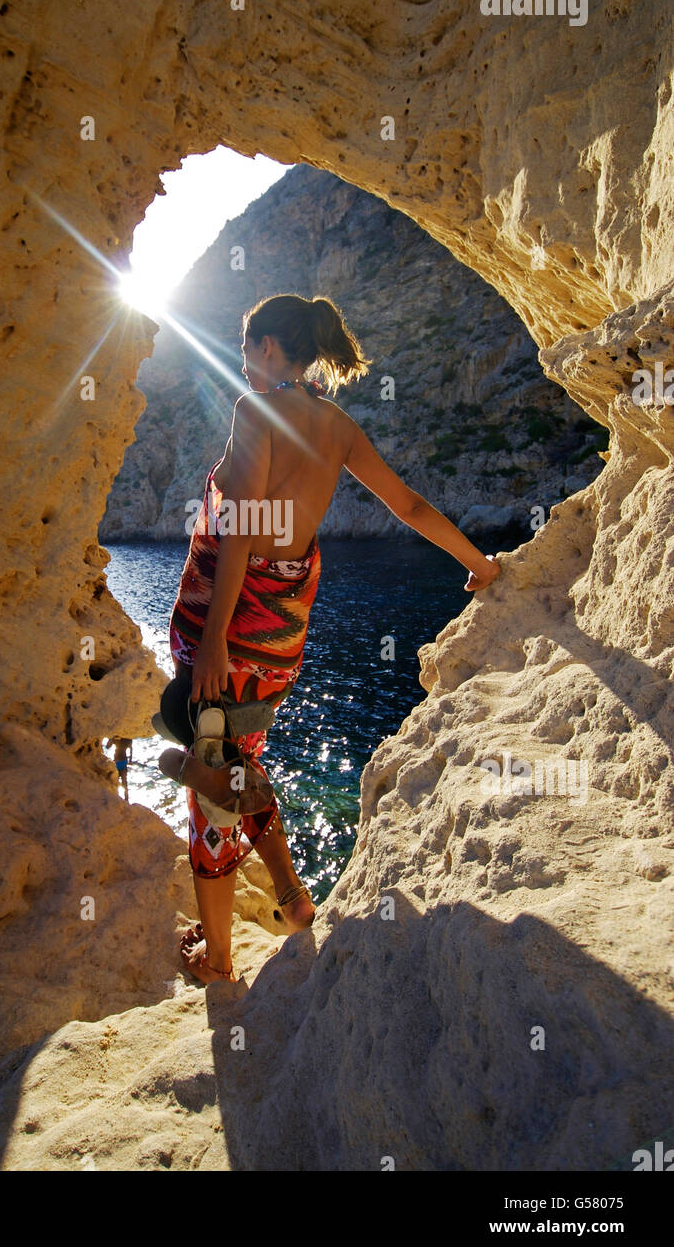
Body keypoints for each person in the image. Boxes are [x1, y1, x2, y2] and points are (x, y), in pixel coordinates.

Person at [159, 293, 501, 984]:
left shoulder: (255, 412)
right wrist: (479, 564)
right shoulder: (336, 425)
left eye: (248, 347)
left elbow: (243, 530)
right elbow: (405, 504)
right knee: (234, 758)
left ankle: (219, 958)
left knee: (214, 781)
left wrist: (218, 639)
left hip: (229, 628)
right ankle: (289, 892)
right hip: (282, 630)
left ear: (271, 349)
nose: (244, 361)